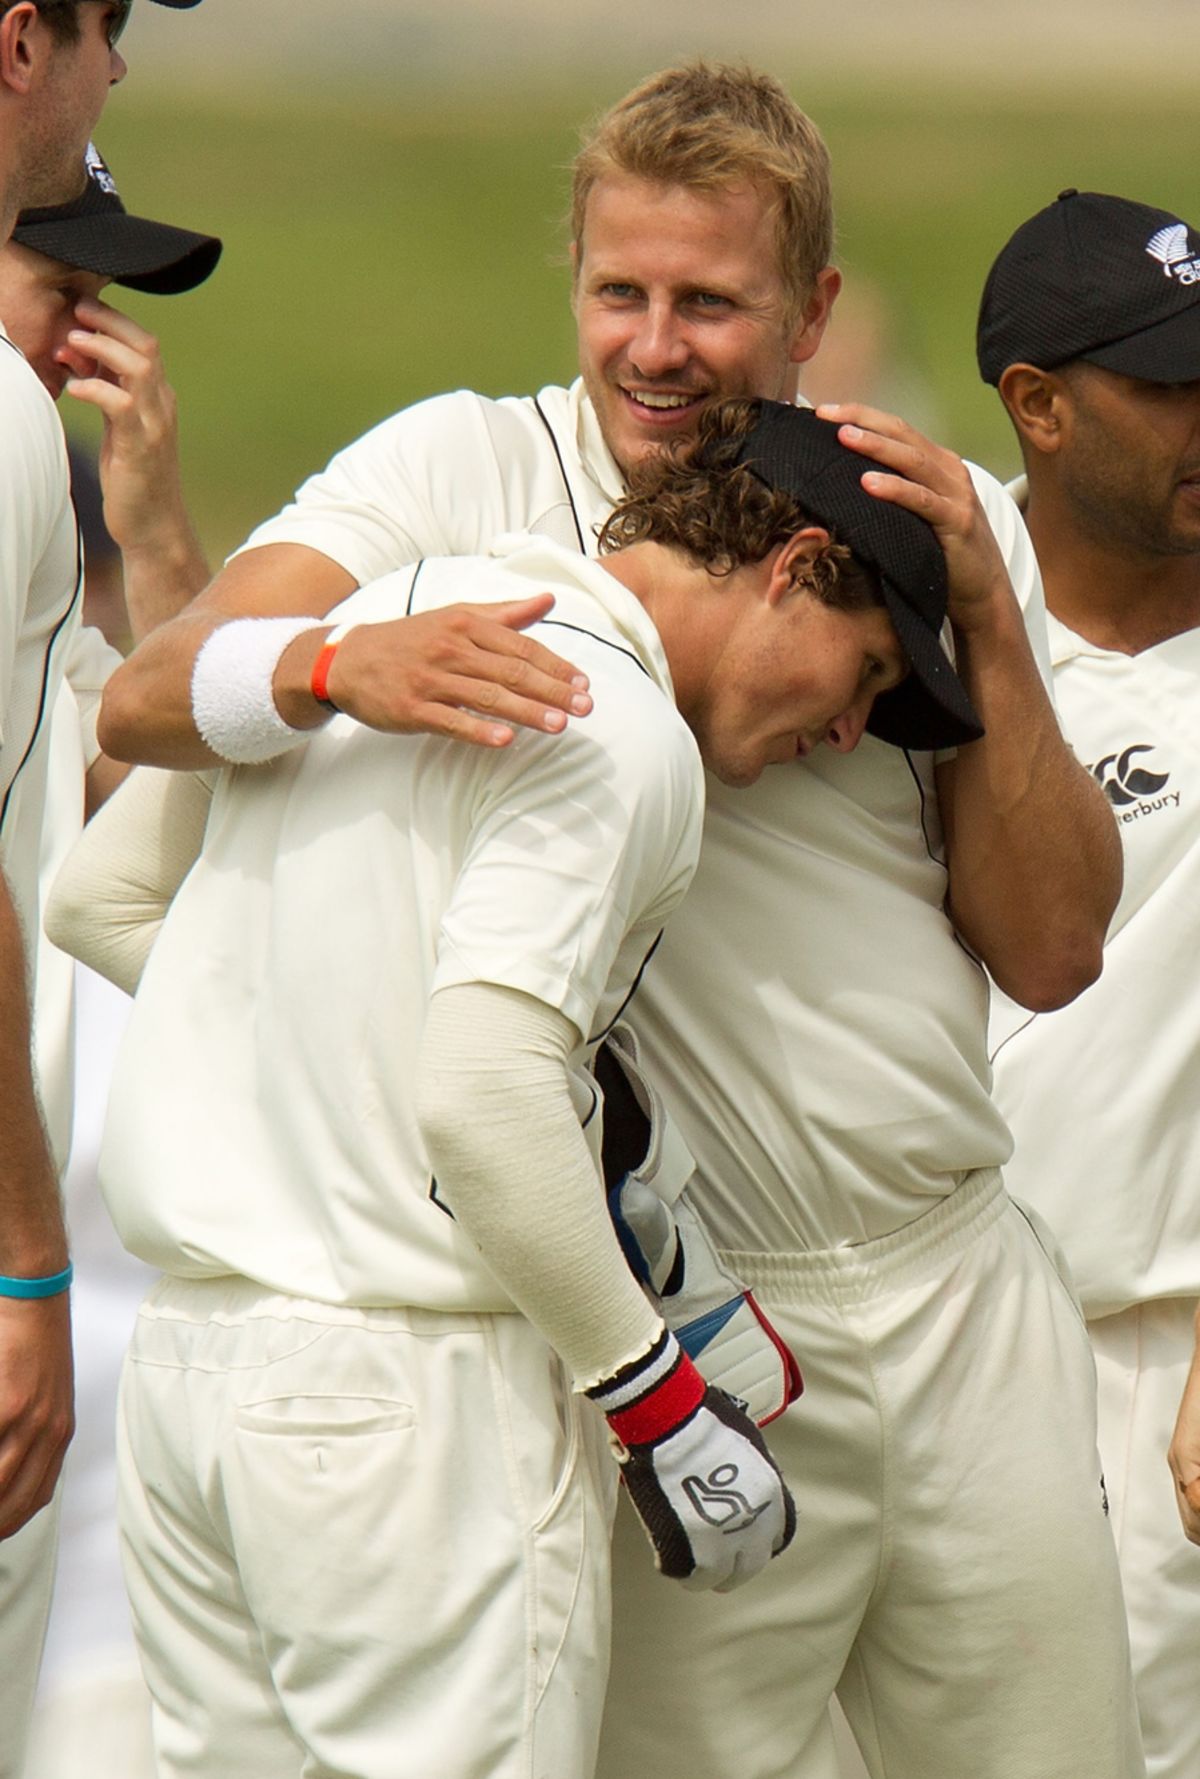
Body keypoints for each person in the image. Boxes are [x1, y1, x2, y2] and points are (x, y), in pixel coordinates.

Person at [92, 62, 1138, 1779]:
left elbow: (1054, 951)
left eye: (711, 303)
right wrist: (333, 663)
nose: (655, 347)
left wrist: (988, 635)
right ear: (572, 281)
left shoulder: (912, 521)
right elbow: (145, 705)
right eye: (619, 292)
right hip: (686, 1307)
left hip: (959, 1280)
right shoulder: (459, 469)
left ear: (811, 311)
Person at [50, 395, 978, 1778]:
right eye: (867, 670)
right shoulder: (613, 725)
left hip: (195, 1394)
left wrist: (361, 1055)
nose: (853, 730)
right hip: (414, 1419)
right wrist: (652, 1397)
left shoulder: (386, 625)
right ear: (792, 569)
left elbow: (99, 899)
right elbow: (481, 1101)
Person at [0, 138, 220, 1779]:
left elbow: (190, 830)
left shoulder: (49, 571)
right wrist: (25, 1265)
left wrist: (152, 540)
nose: (86, 341)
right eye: (62, 286)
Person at [978, 188, 1200, 1779]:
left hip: (1159, 1368)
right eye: (1169, 383)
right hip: (906, 1356)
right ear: (1039, 408)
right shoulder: (895, 615)